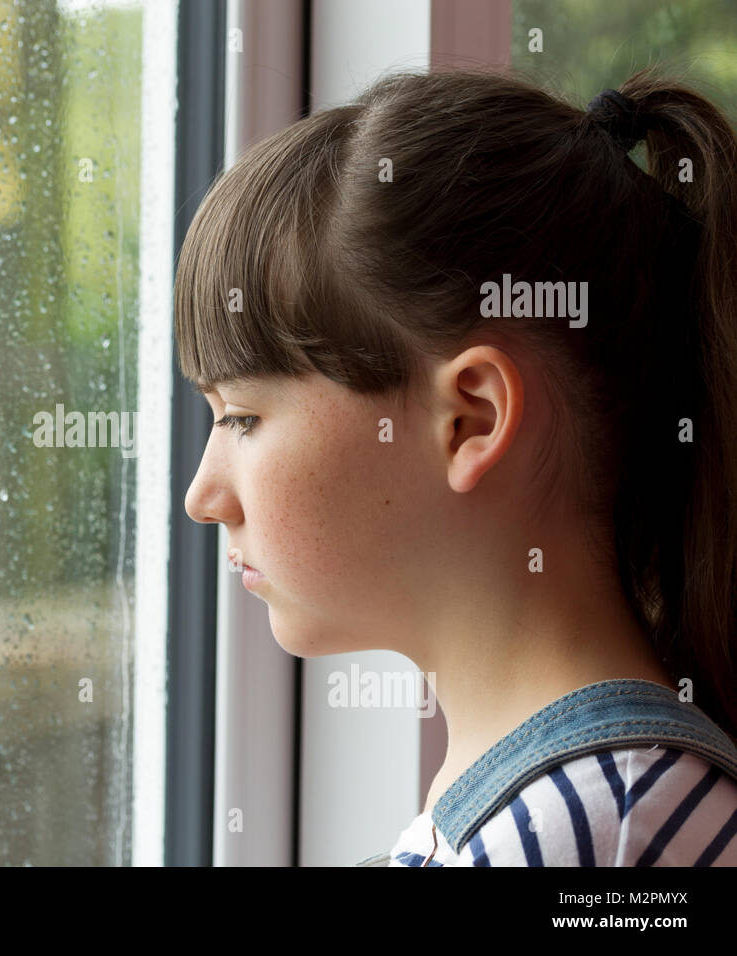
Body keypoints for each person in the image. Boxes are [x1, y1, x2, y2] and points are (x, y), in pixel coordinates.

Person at [175, 66, 737, 866]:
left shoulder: (594, 836)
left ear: (470, 419)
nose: (203, 496)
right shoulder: (581, 811)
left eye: (241, 417)